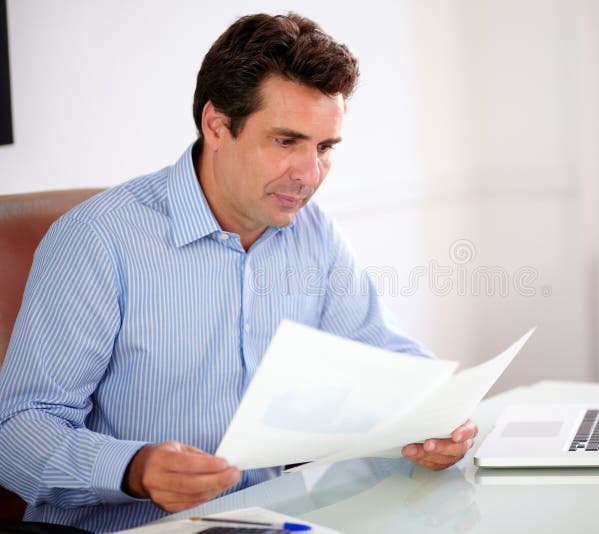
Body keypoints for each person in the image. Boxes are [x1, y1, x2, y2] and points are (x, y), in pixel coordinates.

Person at [0, 13, 477, 532]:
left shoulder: (311, 231)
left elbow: (383, 353)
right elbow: (17, 430)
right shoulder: (98, 240)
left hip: (271, 519)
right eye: (286, 141)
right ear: (217, 125)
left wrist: (438, 415)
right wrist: (135, 469)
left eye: (324, 148)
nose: (309, 174)